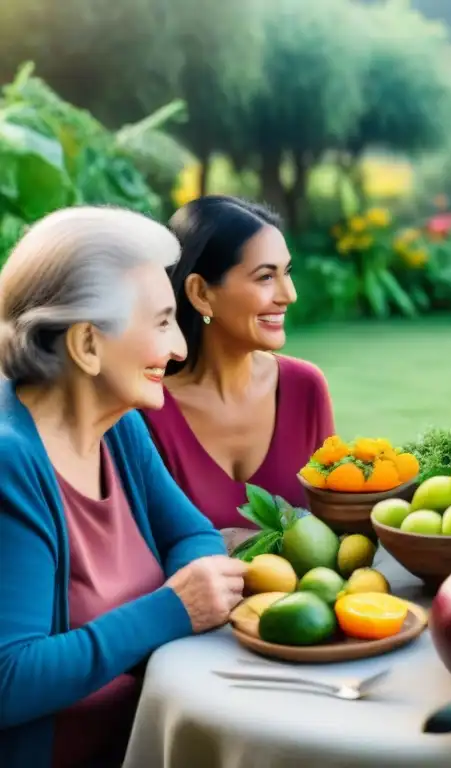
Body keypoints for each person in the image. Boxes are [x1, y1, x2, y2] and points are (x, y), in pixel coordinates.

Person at [0, 207, 246, 768]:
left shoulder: (118, 424)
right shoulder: (11, 462)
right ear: (88, 344)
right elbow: (8, 678)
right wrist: (169, 611)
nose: (181, 348)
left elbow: (193, 534)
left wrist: (192, 591)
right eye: (161, 322)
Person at [142, 196, 335, 551]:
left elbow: (334, 525)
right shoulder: (144, 408)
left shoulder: (305, 388)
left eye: (287, 272)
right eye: (265, 277)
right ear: (201, 293)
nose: (288, 295)